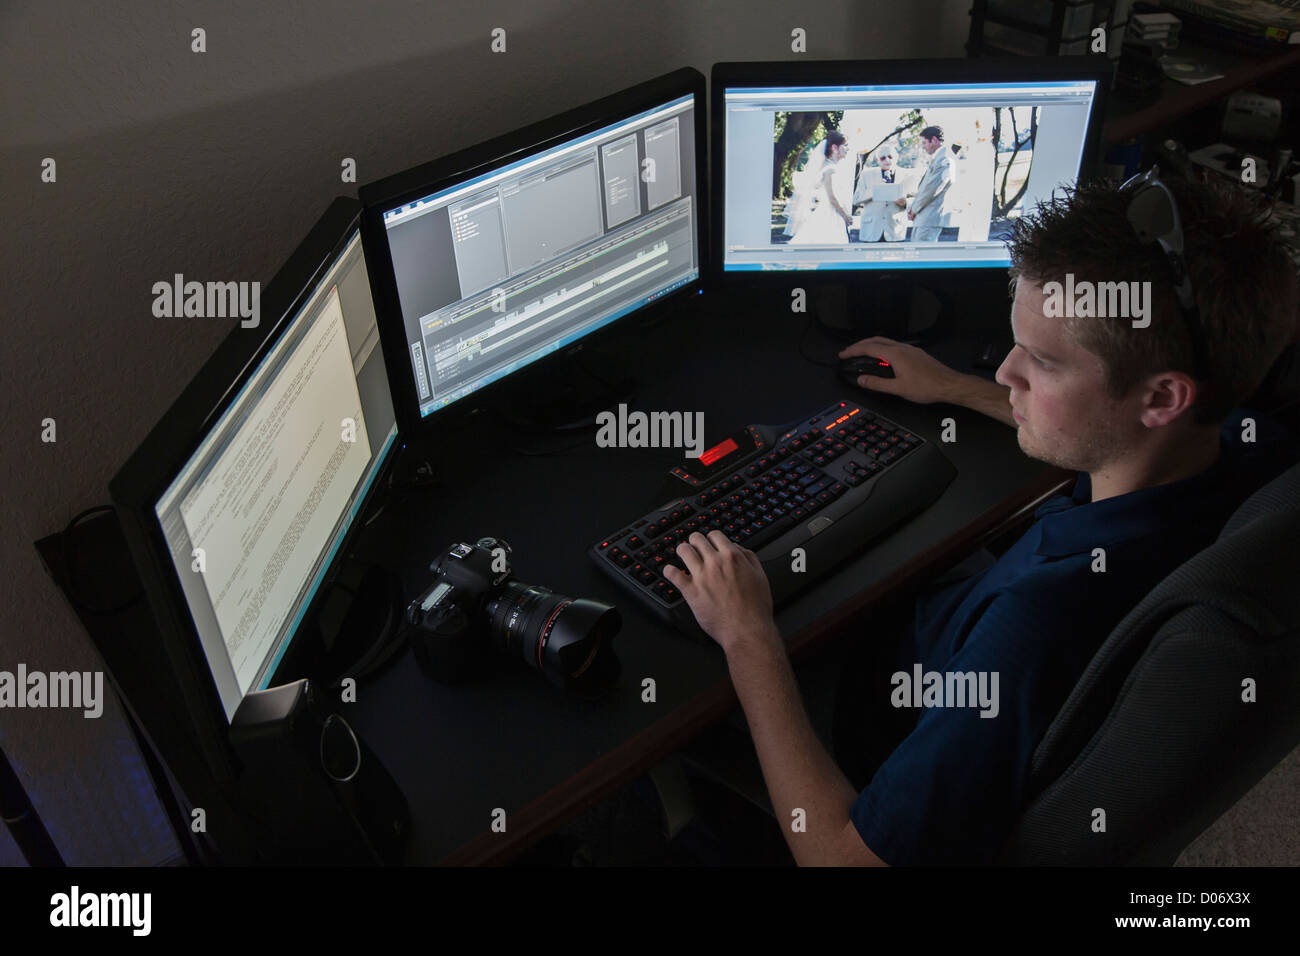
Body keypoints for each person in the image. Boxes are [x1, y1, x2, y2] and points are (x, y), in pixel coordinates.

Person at [662, 175, 1299, 865]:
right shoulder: (1248, 451)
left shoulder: (1034, 623)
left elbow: (846, 860)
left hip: (875, 728)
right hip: (947, 634)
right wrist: (950, 387)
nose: (1006, 374)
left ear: (1162, 398)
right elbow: (1116, 430)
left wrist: (749, 635)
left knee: (667, 707)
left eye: (1044, 363)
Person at [789, 131, 854, 245]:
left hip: (832, 213)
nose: (847, 149)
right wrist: (846, 216)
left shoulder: (832, 167)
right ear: (834, 147)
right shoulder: (830, 170)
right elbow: (832, 198)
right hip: (830, 215)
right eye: (845, 146)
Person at [852, 144, 909, 243]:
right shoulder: (866, 174)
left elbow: (916, 198)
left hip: (895, 229)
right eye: (883, 158)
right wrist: (874, 191)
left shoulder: (906, 175)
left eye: (890, 157)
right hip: (871, 229)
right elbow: (856, 199)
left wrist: (905, 203)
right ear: (877, 160)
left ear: (896, 158)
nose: (887, 160)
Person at [907, 125, 954, 242]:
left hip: (929, 219)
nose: (923, 147)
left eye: (924, 143)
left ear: (934, 140)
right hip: (923, 219)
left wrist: (914, 209)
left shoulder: (944, 160)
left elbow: (931, 190)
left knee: (922, 257)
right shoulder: (938, 159)